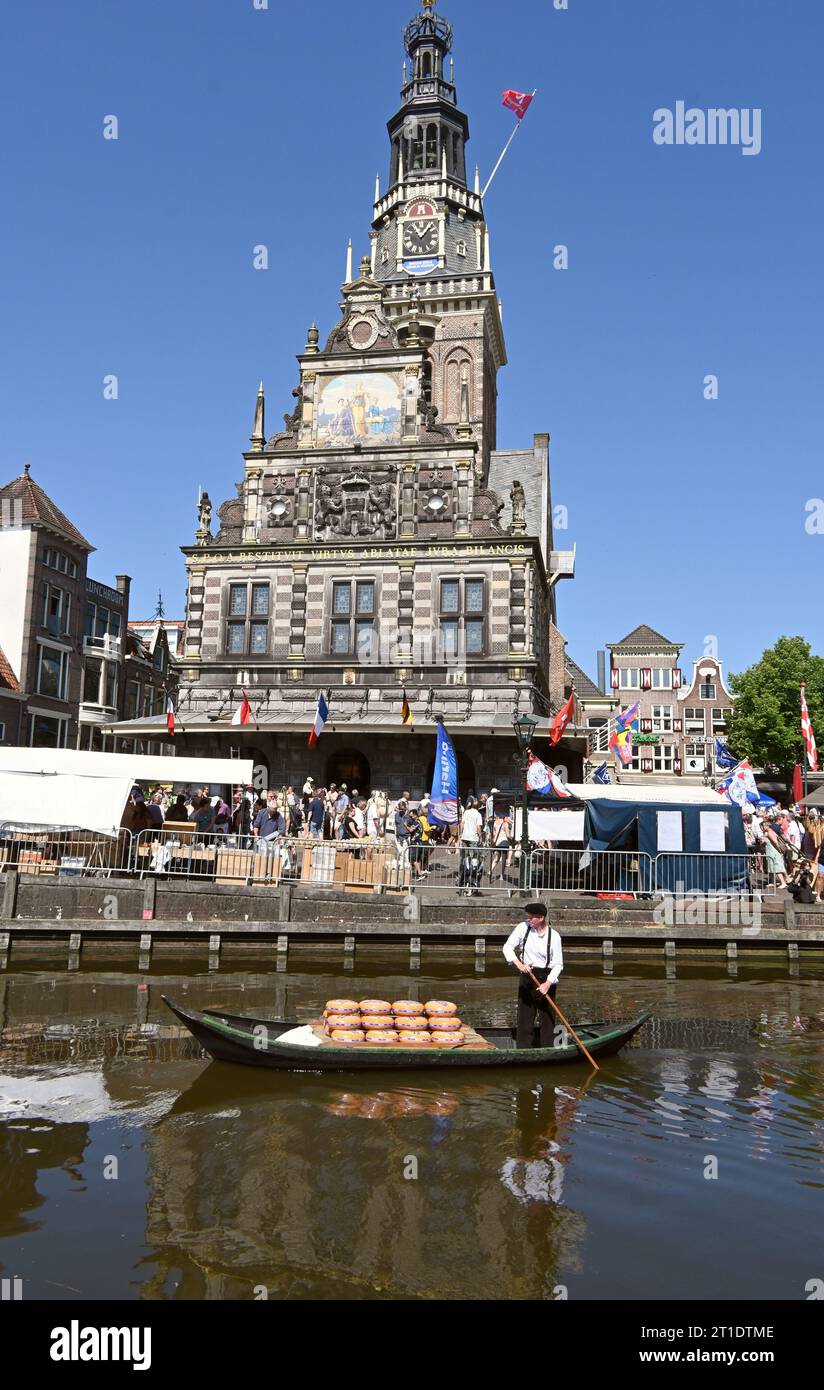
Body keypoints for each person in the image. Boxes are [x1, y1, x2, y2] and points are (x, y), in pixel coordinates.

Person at [502, 902, 564, 1049]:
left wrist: (547, 984)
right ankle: (523, 1048)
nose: (528, 919)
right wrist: (519, 965)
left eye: (531, 917)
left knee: (547, 1018)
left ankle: (548, 1049)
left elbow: (558, 965)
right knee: (524, 1017)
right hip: (527, 976)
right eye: (528, 916)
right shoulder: (523, 928)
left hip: (546, 978)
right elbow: (507, 947)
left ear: (541, 918)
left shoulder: (554, 937)